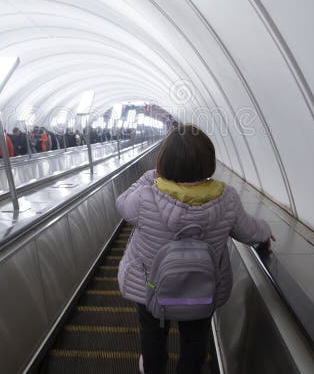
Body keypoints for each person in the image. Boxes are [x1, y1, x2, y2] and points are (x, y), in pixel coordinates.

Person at [116, 124, 274, 374]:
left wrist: (148, 177)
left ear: (165, 162)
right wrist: (265, 232)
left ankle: (153, 368)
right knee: (195, 339)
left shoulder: (146, 196)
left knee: (153, 336)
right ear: (207, 161)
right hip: (200, 289)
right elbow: (247, 230)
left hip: (150, 288)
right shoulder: (227, 198)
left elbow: (122, 204)